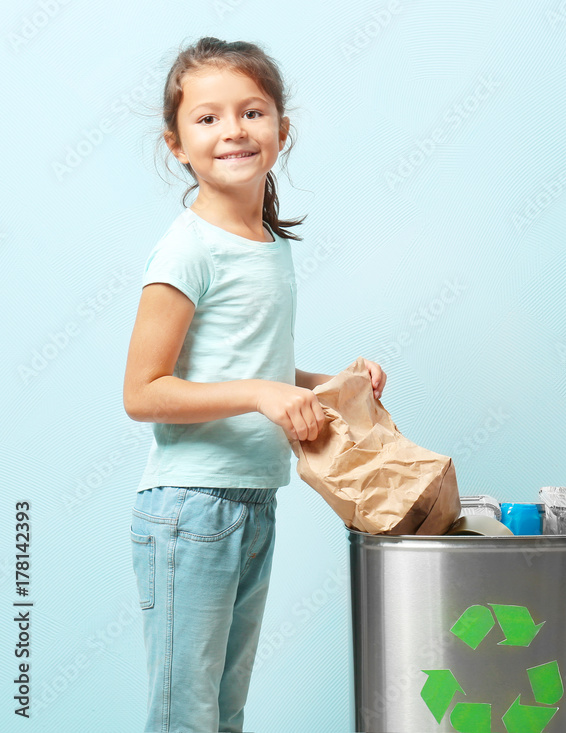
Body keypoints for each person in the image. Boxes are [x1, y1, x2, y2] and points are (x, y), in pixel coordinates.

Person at [123, 37, 386, 733]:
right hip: (190, 509)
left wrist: (334, 384)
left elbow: (256, 367)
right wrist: (262, 395)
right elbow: (144, 391)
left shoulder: (267, 242)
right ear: (176, 143)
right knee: (186, 713)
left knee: (224, 710)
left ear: (281, 130)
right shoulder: (187, 248)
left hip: (252, 501)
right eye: (207, 118)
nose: (233, 130)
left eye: (252, 111)